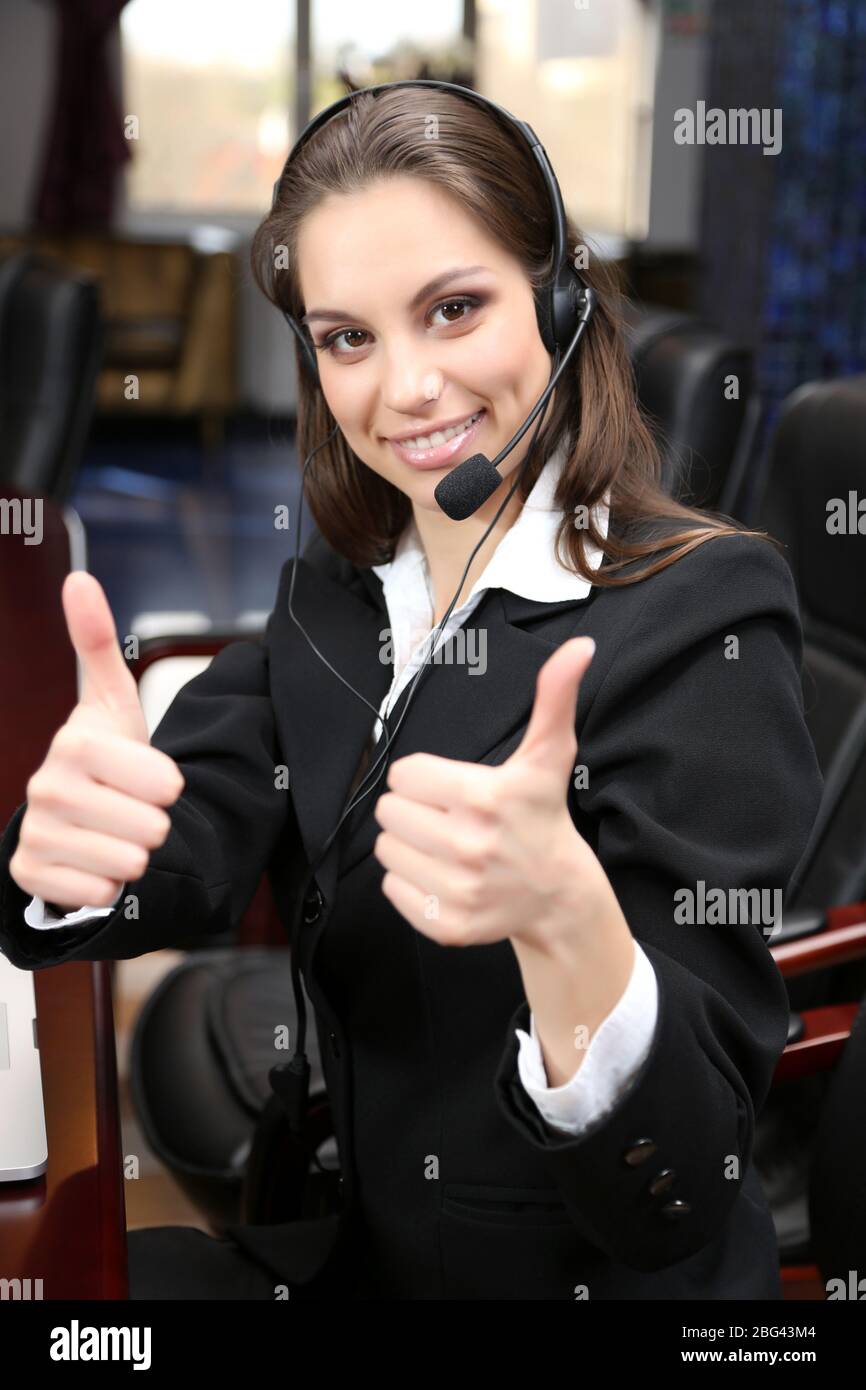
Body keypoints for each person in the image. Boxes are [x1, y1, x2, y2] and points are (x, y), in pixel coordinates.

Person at [0, 84, 822, 1300]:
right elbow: (210, 806)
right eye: (346, 338)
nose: (404, 391)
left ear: (556, 301)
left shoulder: (704, 616)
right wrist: (86, 848)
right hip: (359, 1223)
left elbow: (681, 1187)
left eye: (453, 309)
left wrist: (568, 928)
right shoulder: (349, 571)